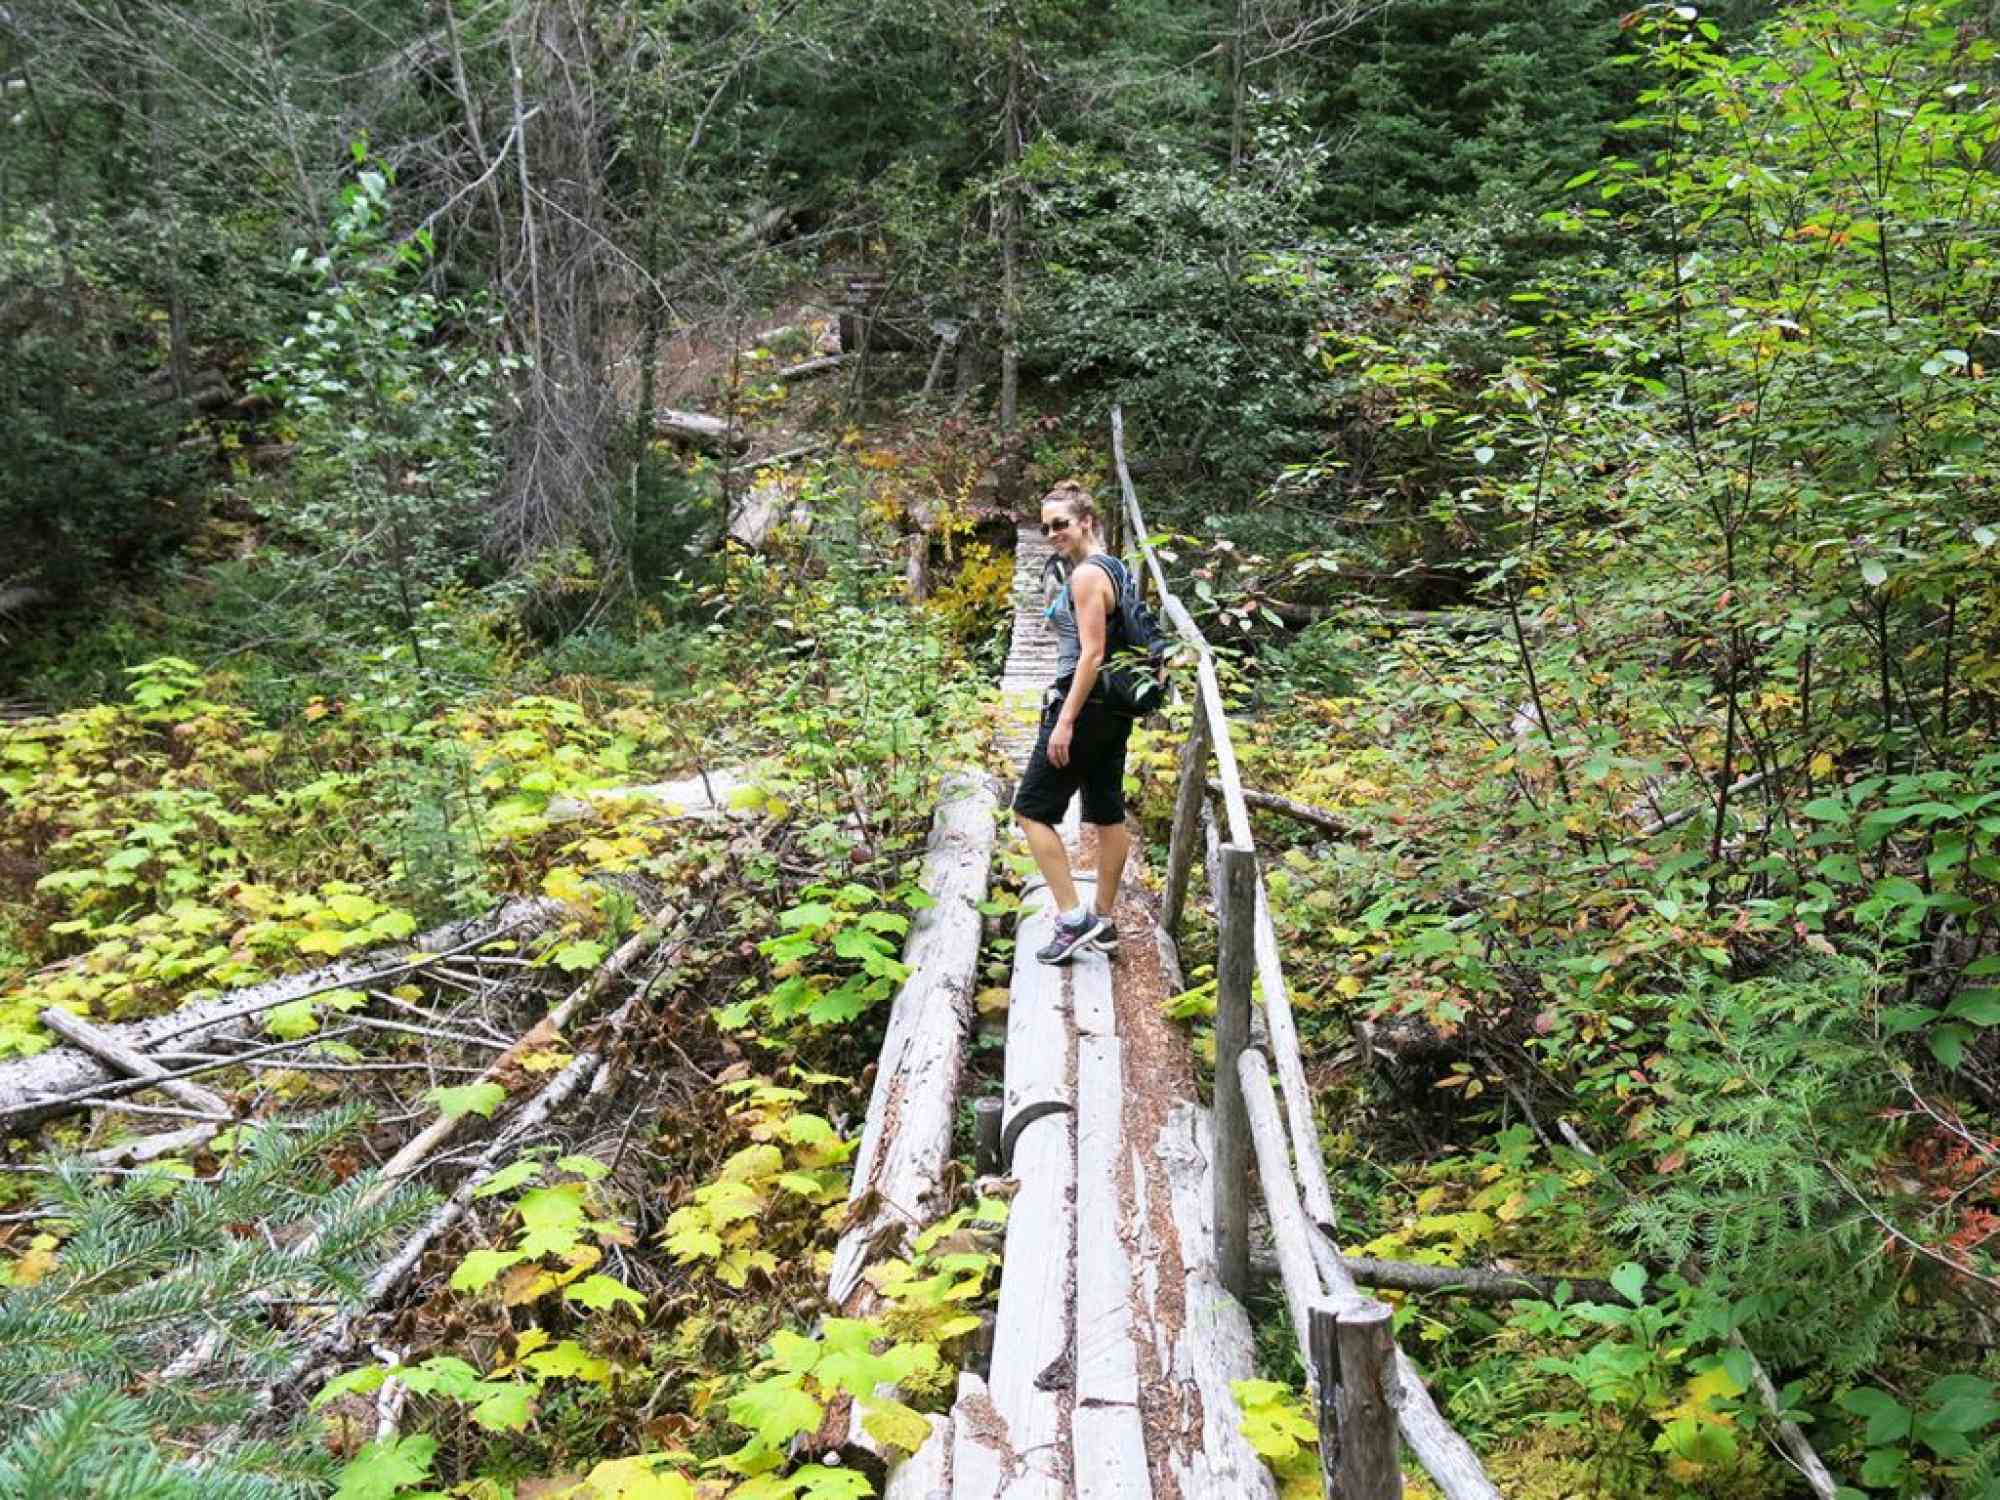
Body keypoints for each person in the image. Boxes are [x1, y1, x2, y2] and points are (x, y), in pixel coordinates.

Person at [1012, 482, 1135, 965]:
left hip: (1083, 707)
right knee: (1107, 812)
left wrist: (1064, 721)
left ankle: (1072, 920)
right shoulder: (1117, 567)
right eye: (1045, 528)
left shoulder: (1086, 575)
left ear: (1086, 520)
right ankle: (1102, 920)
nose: (1051, 534)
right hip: (1114, 707)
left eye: (1060, 524)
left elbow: (1093, 653)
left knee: (1030, 811)